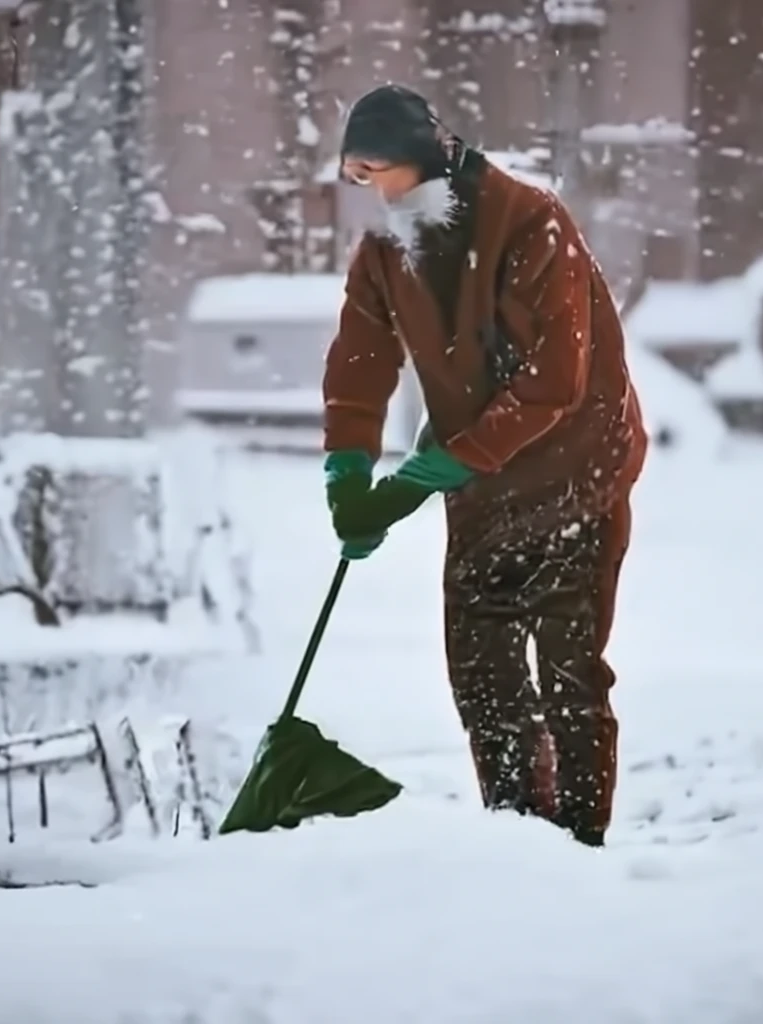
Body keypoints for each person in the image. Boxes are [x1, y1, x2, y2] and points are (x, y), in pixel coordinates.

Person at [321, 84, 647, 847]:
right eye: (362, 179)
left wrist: (423, 476)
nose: (380, 195)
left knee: (568, 672)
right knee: (483, 677)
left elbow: (554, 380)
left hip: (576, 476)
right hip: (480, 489)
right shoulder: (386, 253)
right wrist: (347, 471)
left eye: (384, 173)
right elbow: (360, 364)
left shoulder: (531, 223)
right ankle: (514, 842)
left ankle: (581, 847)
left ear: (427, 158)